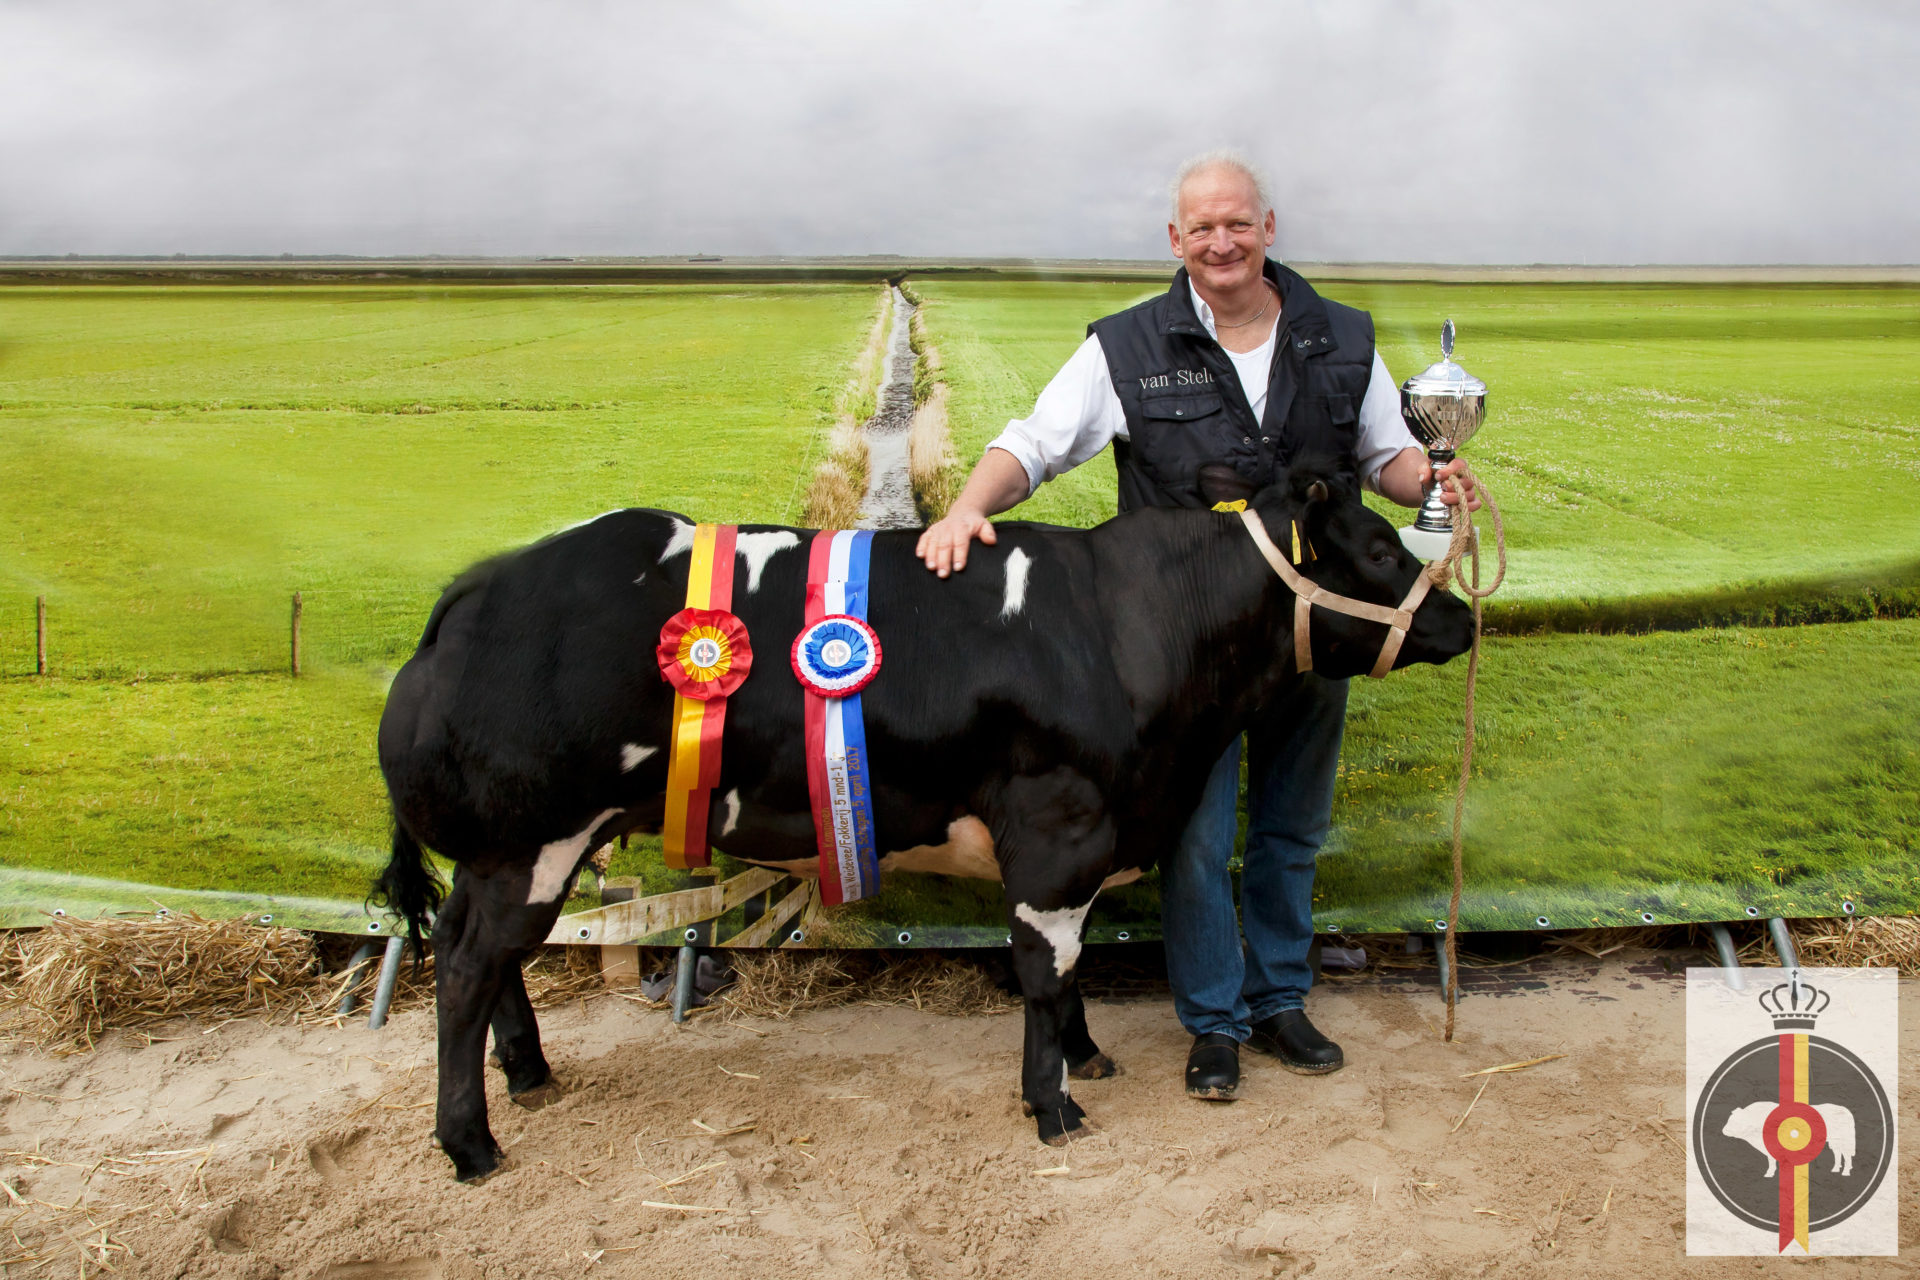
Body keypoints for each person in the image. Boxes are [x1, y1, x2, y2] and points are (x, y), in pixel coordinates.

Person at [915, 150, 1480, 1101]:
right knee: (1193, 838)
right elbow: (1037, 441)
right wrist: (970, 505)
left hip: (1312, 631)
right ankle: (1212, 1021)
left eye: (1239, 223)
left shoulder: (1341, 339)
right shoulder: (1128, 345)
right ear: (1177, 241)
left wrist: (1430, 479)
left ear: (1269, 229)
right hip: (1179, 659)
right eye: (1202, 228)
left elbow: (1386, 455)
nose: (1222, 243)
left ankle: (1280, 1003)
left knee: (1291, 830)